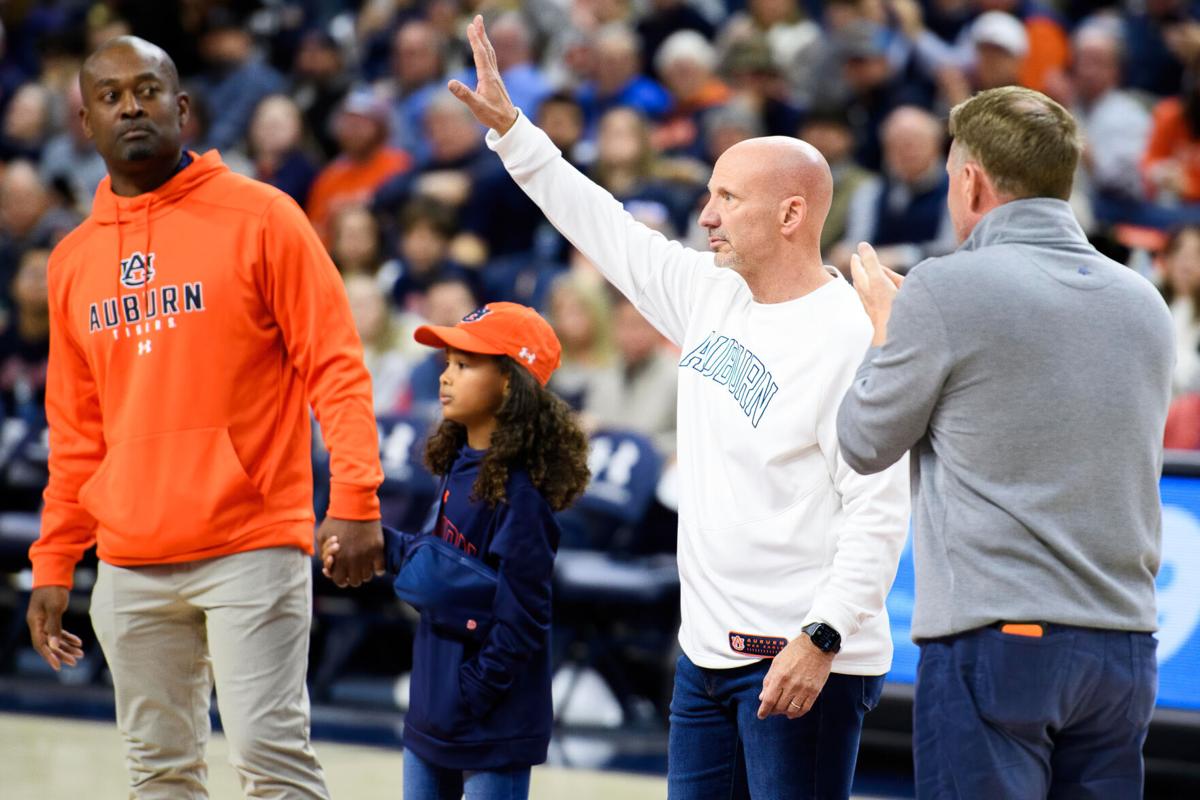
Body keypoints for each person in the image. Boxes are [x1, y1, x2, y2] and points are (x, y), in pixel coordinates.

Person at [450, 16, 910, 799]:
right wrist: (515, 134)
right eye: (709, 195)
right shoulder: (707, 292)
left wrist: (823, 636)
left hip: (802, 657)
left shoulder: (850, 335)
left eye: (728, 198)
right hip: (703, 654)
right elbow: (605, 226)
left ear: (791, 215)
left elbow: (880, 508)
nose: (707, 215)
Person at [24, 37, 385, 799]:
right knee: (158, 774)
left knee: (272, 764)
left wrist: (355, 498)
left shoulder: (264, 216)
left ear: (182, 107)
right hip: (129, 558)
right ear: (85, 123)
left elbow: (335, 366)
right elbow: (77, 431)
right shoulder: (72, 260)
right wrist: (55, 560)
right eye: (110, 96)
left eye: (148, 90)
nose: (131, 106)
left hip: (251, 542)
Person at [837, 86, 1173, 799]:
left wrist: (886, 330)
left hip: (999, 637)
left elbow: (863, 441)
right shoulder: (1145, 302)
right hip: (1125, 646)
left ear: (970, 182)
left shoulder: (945, 288)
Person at [322, 302, 591, 800]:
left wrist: (474, 691)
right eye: (448, 363)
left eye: (464, 365)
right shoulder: (458, 465)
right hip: (434, 705)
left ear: (510, 383)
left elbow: (523, 618)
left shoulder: (523, 494)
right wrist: (376, 543)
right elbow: (443, 566)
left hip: (490, 720)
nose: (445, 376)